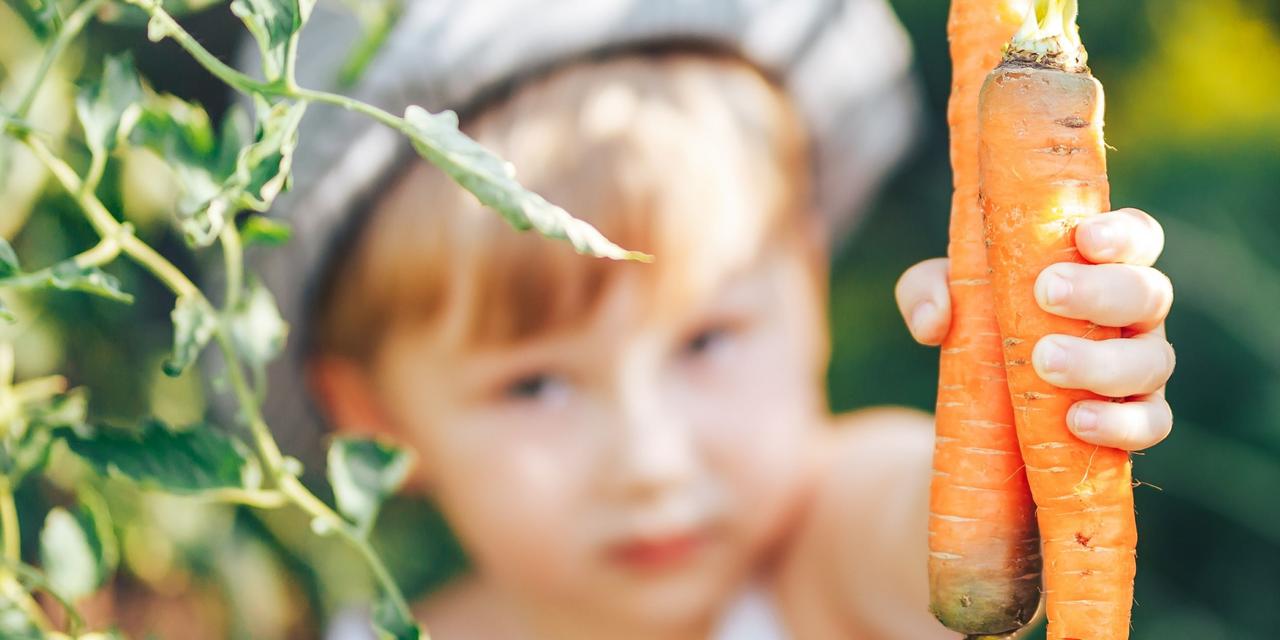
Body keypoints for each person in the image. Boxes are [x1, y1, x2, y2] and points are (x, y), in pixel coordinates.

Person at [247, 1, 1176, 637]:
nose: (652, 461)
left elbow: (921, 522)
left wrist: (1030, 393)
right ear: (376, 419)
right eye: (533, 384)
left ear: (809, 289)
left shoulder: (821, 564)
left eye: (705, 341)